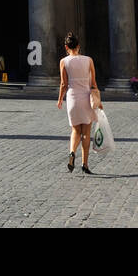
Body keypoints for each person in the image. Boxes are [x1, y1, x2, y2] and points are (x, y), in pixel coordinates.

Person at [56, 32, 99, 174]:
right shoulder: (89, 60)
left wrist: (60, 99)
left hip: (73, 98)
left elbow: (63, 83)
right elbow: (93, 83)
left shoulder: (64, 61)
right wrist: (99, 100)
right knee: (86, 132)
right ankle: (85, 164)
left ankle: (72, 152)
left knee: (75, 130)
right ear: (79, 46)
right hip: (86, 97)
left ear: (66, 47)